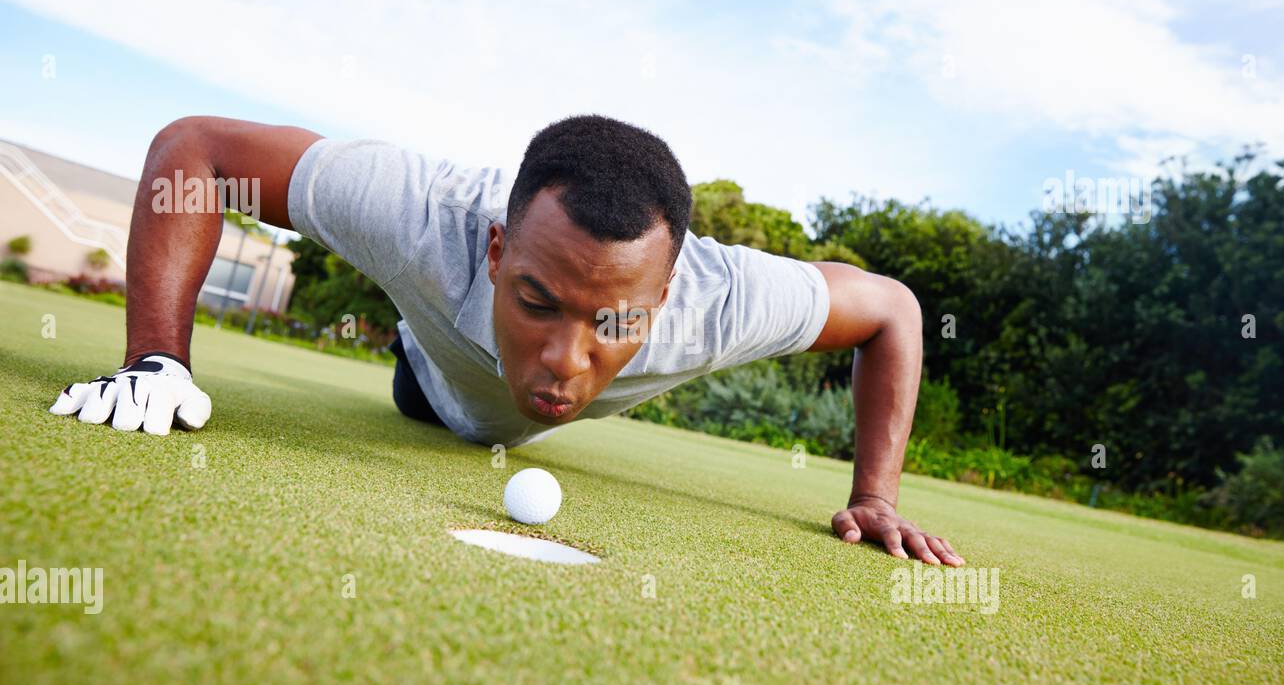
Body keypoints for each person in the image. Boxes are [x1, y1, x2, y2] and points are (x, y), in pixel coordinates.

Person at [48, 114, 964, 566]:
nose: (567, 361)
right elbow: (194, 152)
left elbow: (894, 312)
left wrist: (875, 494)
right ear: (494, 249)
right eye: (537, 298)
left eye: (613, 322)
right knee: (422, 387)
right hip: (427, 374)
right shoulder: (418, 211)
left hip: (512, 404)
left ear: (670, 291)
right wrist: (156, 358)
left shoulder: (721, 301)